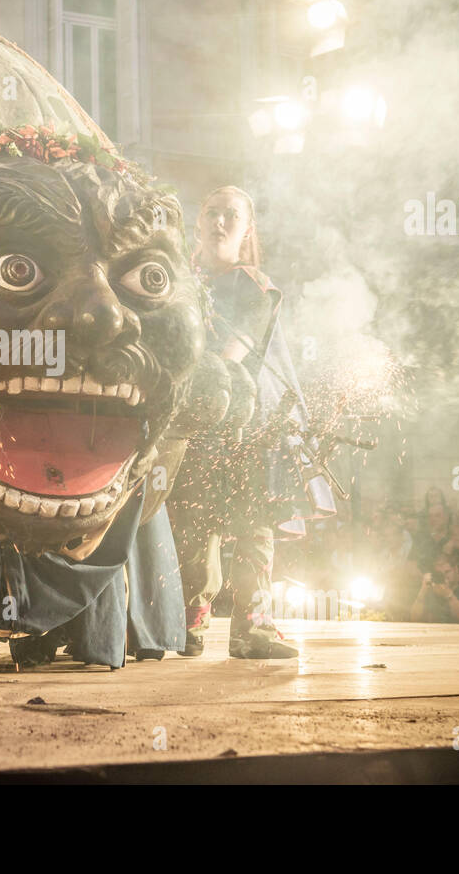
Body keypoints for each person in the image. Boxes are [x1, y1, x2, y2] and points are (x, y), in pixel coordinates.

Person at [167, 185, 334, 659]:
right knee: (195, 524)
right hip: (196, 421)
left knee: (252, 522)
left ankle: (252, 628)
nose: (220, 222)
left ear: (245, 230)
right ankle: (187, 624)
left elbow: (233, 352)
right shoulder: (179, 281)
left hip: (252, 424)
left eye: (231, 216)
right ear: (197, 223)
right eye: (212, 212)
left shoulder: (255, 285)